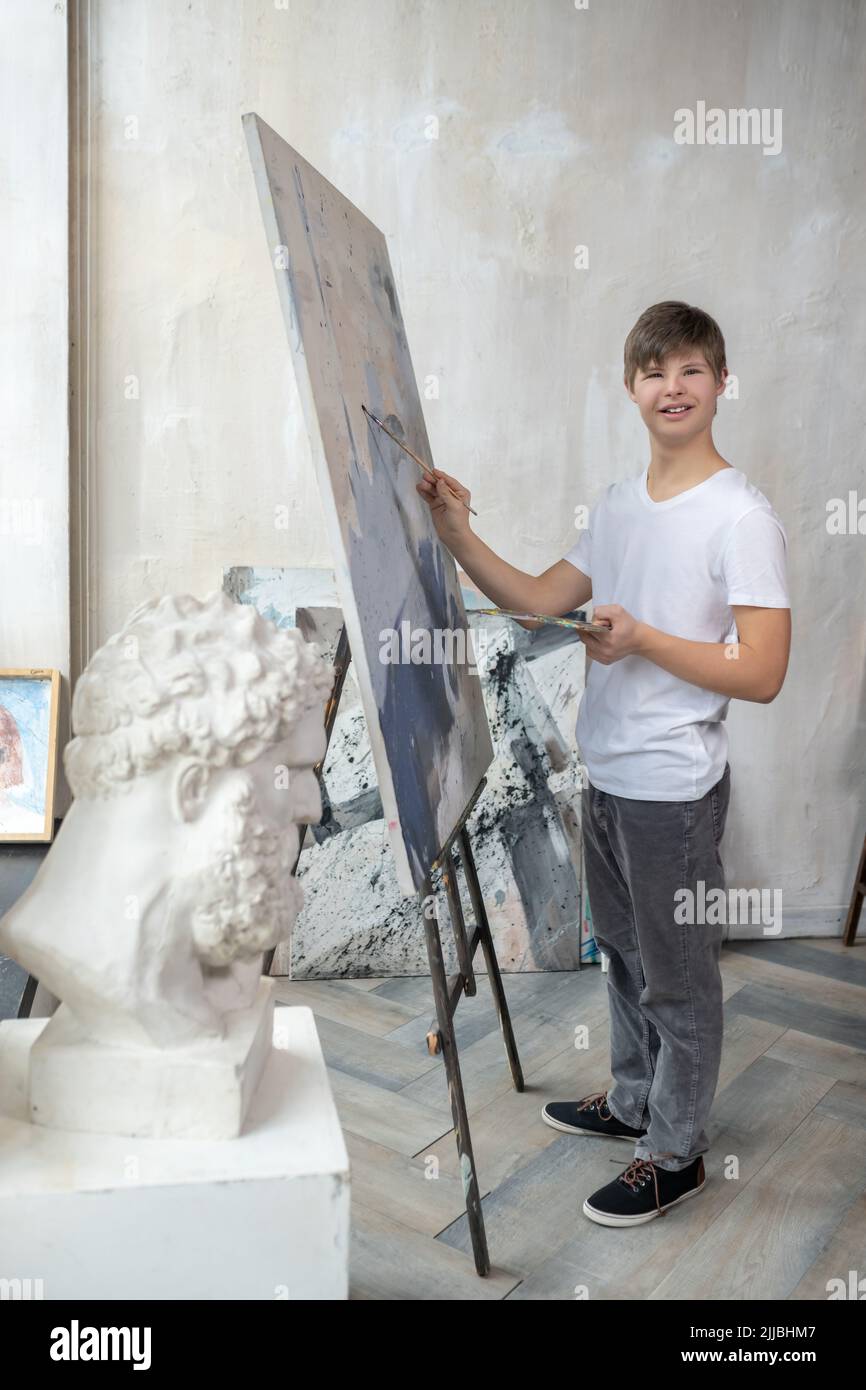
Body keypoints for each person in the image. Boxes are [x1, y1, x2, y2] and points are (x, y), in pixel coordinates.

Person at [415, 300, 791, 1227]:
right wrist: (460, 535)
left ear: (720, 384)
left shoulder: (742, 518)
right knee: (624, 956)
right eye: (656, 371)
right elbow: (543, 601)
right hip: (611, 776)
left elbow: (766, 672)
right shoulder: (620, 508)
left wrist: (649, 640)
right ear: (632, 388)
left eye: (693, 370)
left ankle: (676, 1152)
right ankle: (633, 1105)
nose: (674, 386)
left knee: (678, 974)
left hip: (675, 790)